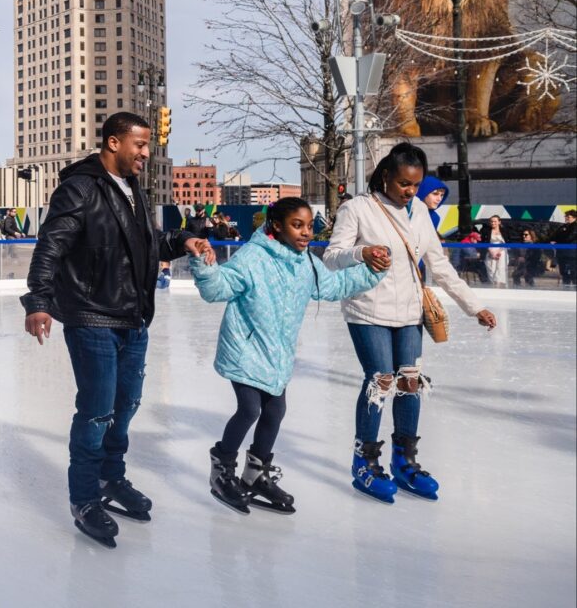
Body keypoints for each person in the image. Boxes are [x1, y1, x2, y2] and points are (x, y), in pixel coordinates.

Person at [21, 112, 199, 548]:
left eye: (148, 147)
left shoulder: (133, 190)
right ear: (113, 143)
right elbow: (51, 246)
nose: (145, 154)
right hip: (92, 315)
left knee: (125, 406)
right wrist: (39, 302)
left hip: (132, 318)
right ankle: (84, 498)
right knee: (97, 411)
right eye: (139, 145)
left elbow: (149, 244)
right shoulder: (80, 188)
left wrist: (182, 243)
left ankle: (110, 479)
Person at [323, 142, 496, 504]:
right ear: (386, 175)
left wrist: (474, 306)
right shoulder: (357, 208)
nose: (410, 192)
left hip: (410, 313)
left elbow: (439, 264)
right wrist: (362, 252)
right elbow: (332, 257)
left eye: (415, 185)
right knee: (380, 381)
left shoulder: (418, 211)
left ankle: (405, 461)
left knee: (409, 384)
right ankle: (365, 464)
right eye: (404, 183)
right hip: (368, 310)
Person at [190, 197, 385, 515]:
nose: (306, 232)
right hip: (245, 349)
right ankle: (222, 469)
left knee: (275, 411)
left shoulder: (306, 261)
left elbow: (333, 286)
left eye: (309, 226)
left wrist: (372, 271)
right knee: (250, 409)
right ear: (277, 226)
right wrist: (203, 264)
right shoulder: (253, 258)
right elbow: (217, 289)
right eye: (298, 225)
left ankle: (254, 475)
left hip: (276, 354)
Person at [549, 210, 577, 287]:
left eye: (568, 217)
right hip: (562, 254)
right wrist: (553, 241)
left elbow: (569, 238)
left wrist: (558, 243)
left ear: (575, 218)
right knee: (564, 273)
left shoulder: (575, 227)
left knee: (573, 273)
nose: (566, 218)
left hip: (572, 255)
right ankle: (566, 288)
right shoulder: (562, 227)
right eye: (565, 216)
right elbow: (554, 236)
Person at [482, 215, 509, 288]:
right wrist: (491, 252)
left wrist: (499, 251)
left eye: (495, 221)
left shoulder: (504, 230)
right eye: (491, 221)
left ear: (499, 222)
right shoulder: (486, 230)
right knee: (491, 269)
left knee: (500, 269)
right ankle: (493, 286)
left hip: (501, 252)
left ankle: (500, 286)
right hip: (490, 252)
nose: (493, 223)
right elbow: (484, 242)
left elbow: (506, 242)